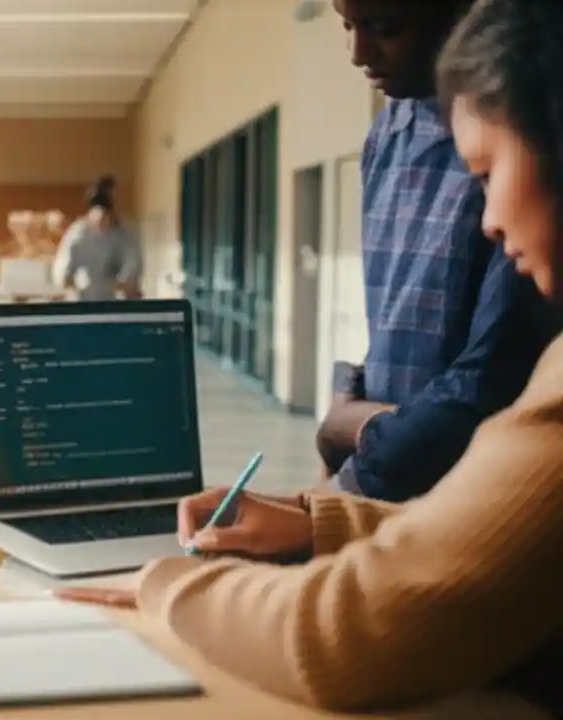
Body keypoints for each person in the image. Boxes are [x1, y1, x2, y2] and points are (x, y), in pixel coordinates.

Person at [61, 1, 563, 714]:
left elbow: (351, 637)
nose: (486, 220)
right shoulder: (389, 134)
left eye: (485, 175)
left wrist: (166, 584)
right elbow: (494, 542)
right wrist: (320, 520)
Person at [314, 0, 556, 501]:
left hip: (470, 481)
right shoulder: (386, 134)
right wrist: (348, 412)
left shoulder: (516, 119)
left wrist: (356, 435)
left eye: (386, 27)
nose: (358, 54)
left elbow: (489, 382)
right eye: (347, 26)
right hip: (386, 464)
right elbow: (391, 319)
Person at [51, 176, 143, 301]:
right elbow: (62, 274)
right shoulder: (78, 234)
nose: (103, 224)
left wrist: (125, 284)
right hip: (83, 300)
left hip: (115, 302)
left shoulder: (125, 233)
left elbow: (133, 267)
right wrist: (70, 282)